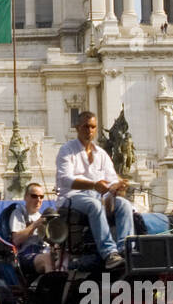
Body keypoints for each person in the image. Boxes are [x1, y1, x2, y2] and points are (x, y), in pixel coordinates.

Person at [55, 111, 129, 270]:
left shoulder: (101, 154)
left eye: (93, 127)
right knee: (94, 204)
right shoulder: (66, 150)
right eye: (85, 126)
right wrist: (93, 185)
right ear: (77, 127)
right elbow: (65, 180)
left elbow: (111, 179)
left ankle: (125, 248)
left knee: (124, 204)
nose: (89, 130)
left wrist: (117, 187)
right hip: (71, 198)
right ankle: (109, 253)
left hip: (99, 196)